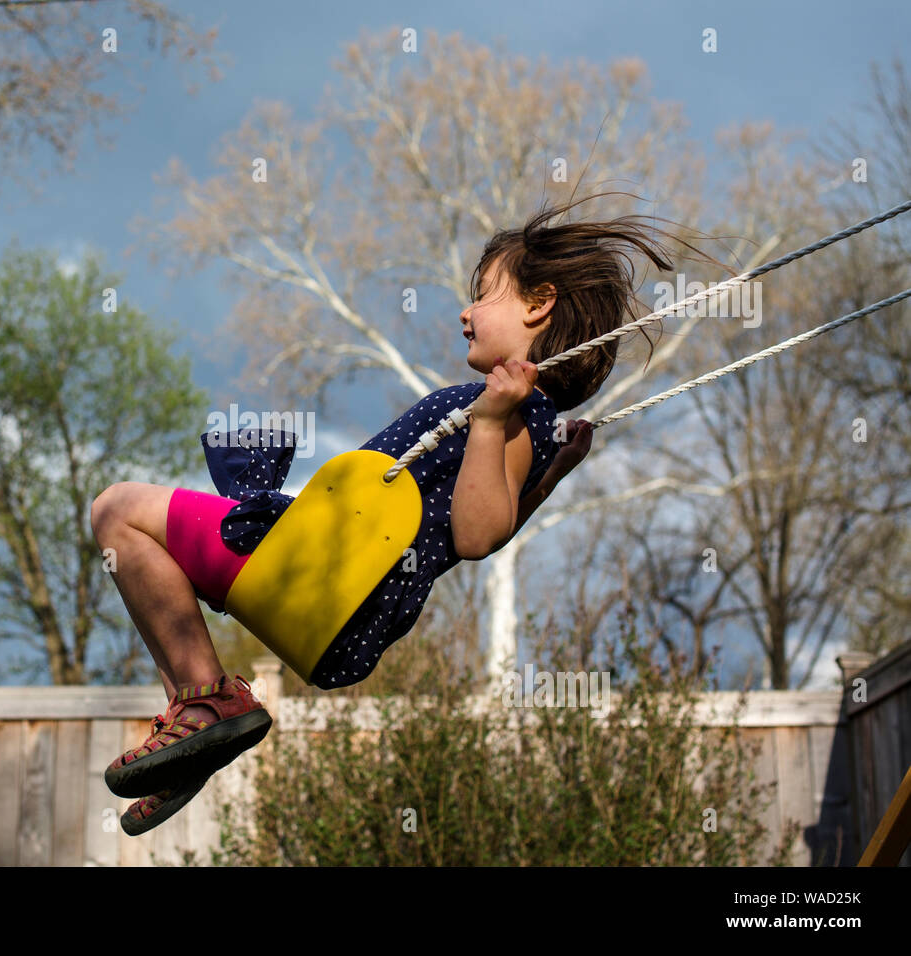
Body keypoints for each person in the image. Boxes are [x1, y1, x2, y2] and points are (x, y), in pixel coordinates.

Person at [90, 193, 705, 834]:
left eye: (484, 293)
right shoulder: (524, 422)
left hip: (316, 578)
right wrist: (546, 481)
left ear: (537, 303)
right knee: (144, 550)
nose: (466, 312)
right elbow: (490, 522)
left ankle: (208, 701)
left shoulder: (512, 414)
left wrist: (493, 421)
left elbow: (474, 534)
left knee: (118, 511)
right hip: (340, 616)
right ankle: (194, 731)